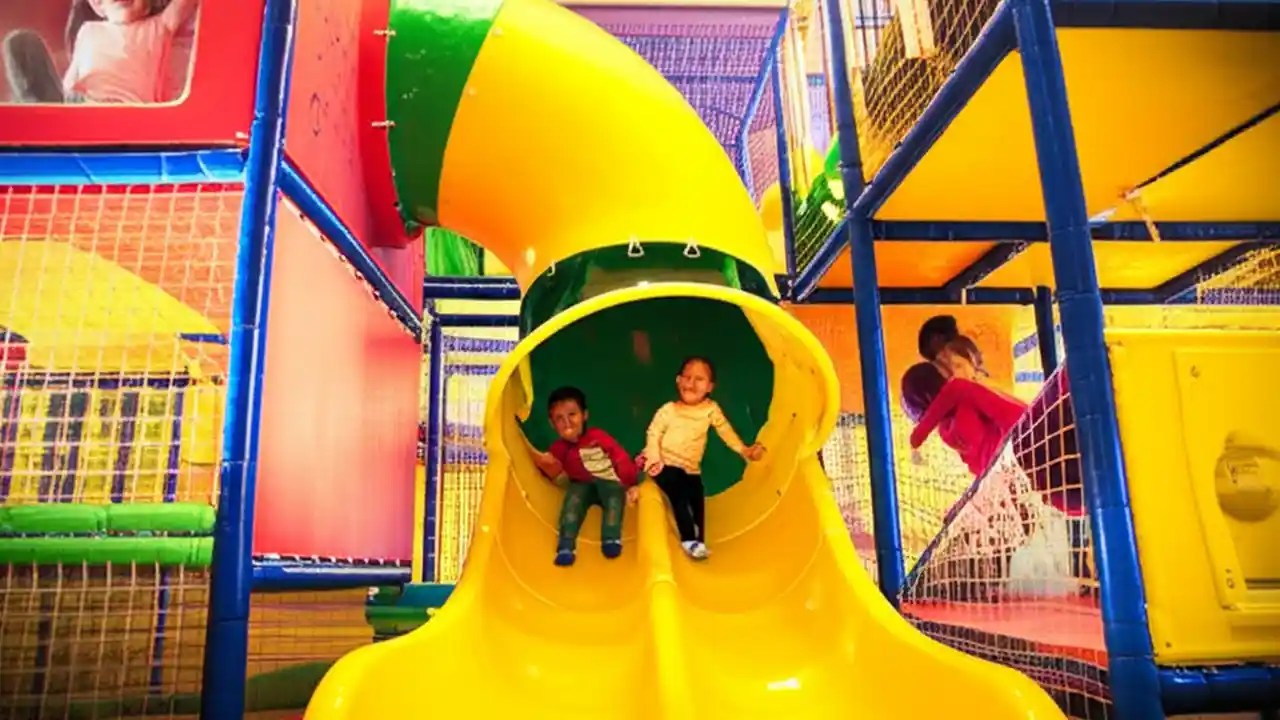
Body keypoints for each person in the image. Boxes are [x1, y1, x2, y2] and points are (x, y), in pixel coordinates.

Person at [638, 356, 765, 560]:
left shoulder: (710, 410)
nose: (691, 383)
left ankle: (699, 541)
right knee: (679, 492)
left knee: (696, 498)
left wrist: (745, 450)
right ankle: (688, 540)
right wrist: (653, 458)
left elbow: (725, 431)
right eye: (687, 377)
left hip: (691, 468)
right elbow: (653, 433)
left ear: (710, 387)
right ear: (678, 381)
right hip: (663, 463)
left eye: (699, 379)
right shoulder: (668, 410)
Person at [4, 0, 197, 104]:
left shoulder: (159, 26)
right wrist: (61, 102)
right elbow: (72, 76)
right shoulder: (88, 31)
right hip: (79, 106)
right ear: (97, 4)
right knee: (22, 43)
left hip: (129, 113)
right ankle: (41, 109)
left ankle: (42, 111)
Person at [537, 386, 639, 567]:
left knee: (614, 496)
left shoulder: (597, 437)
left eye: (572, 414)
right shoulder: (559, 448)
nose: (566, 422)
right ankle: (566, 545)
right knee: (573, 501)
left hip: (608, 481)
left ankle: (611, 538)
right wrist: (543, 465)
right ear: (552, 423)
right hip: (582, 484)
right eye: (559, 418)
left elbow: (619, 457)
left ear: (584, 415)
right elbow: (552, 469)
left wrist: (629, 484)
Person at [902, 358, 1026, 478]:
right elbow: (1015, 416)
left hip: (1010, 465)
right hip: (1014, 458)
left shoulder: (946, 427)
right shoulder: (959, 400)